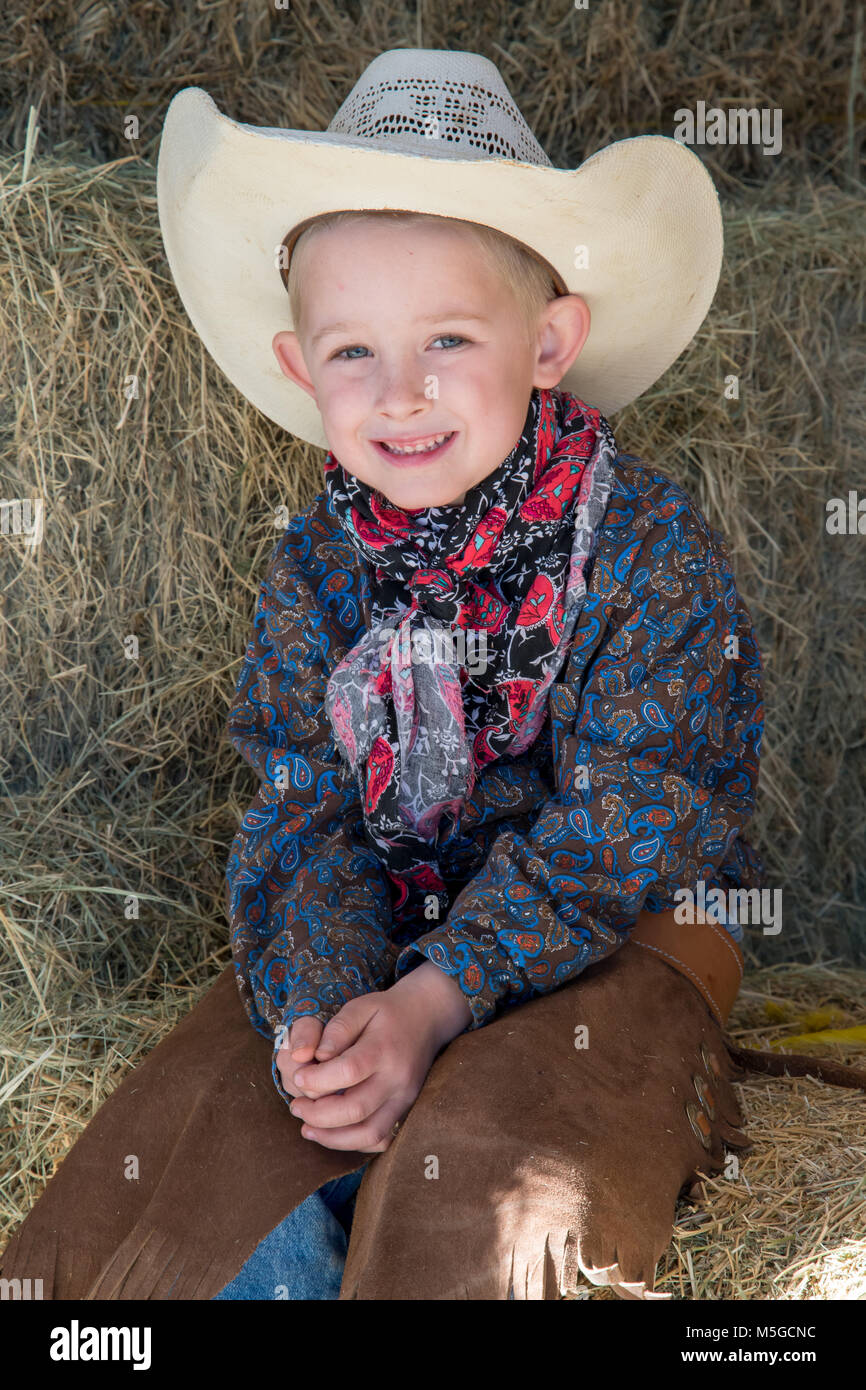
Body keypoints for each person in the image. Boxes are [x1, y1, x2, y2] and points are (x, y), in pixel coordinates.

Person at [4, 48, 861, 1305]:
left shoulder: (639, 548)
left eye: (447, 337)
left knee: (484, 1190)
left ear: (549, 341)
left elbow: (635, 815)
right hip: (388, 933)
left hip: (614, 935)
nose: (398, 392)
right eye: (353, 351)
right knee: (205, 1165)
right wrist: (326, 1012)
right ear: (302, 370)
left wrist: (440, 997)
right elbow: (305, 810)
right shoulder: (315, 566)